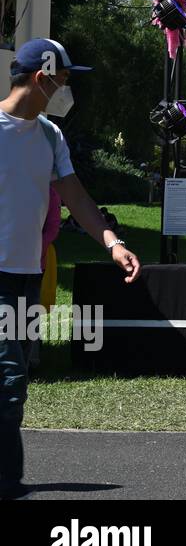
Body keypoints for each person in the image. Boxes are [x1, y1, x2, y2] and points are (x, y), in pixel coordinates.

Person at [1, 39, 142, 501]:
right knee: (9, 382)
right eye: (63, 80)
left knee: (14, 384)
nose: (67, 89)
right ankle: (7, 486)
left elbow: (76, 196)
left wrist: (113, 244)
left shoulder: (49, 136)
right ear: (41, 78)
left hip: (28, 277)